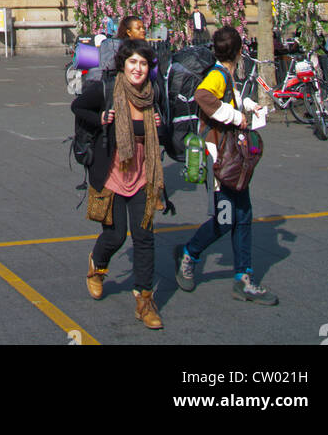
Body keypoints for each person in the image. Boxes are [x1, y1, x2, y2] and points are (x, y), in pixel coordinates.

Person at [174, 24, 277, 306]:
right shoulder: (218, 74)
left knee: (241, 214)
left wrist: (247, 104)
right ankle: (189, 254)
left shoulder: (224, 73)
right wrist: (235, 117)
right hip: (219, 157)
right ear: (240, 51)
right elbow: (205, 96)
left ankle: (243, 276)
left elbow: (226, 95)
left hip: (228, 156)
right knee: (225, 218)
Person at [72, 39, 169, 330]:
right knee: (115, 237)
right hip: (111, 173)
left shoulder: (153, 95)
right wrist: (101, 118)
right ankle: (97, 267)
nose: (137, 69)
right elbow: (77, 107)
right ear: (122, 66)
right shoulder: (107, 90)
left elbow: (165, 133)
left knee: (144, 237)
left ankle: (144, 301)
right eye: (132, 63)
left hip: (142, 173)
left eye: (143, 64)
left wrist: (160, 126)